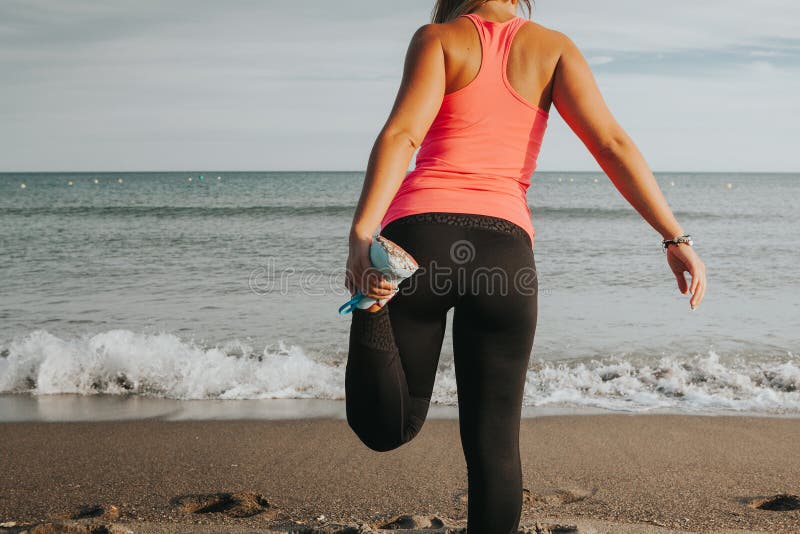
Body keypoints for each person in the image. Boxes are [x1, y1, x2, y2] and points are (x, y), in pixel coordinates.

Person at [343, 0, 707, 532]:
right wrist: (673, 237)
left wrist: (360, 233)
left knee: (388, 427)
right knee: (495, 447)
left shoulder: (438, 38)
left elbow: (403, 135)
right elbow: (610, 143)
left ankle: (372, 304)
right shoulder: (553, 48)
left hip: (419, 242)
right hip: (505, 255)